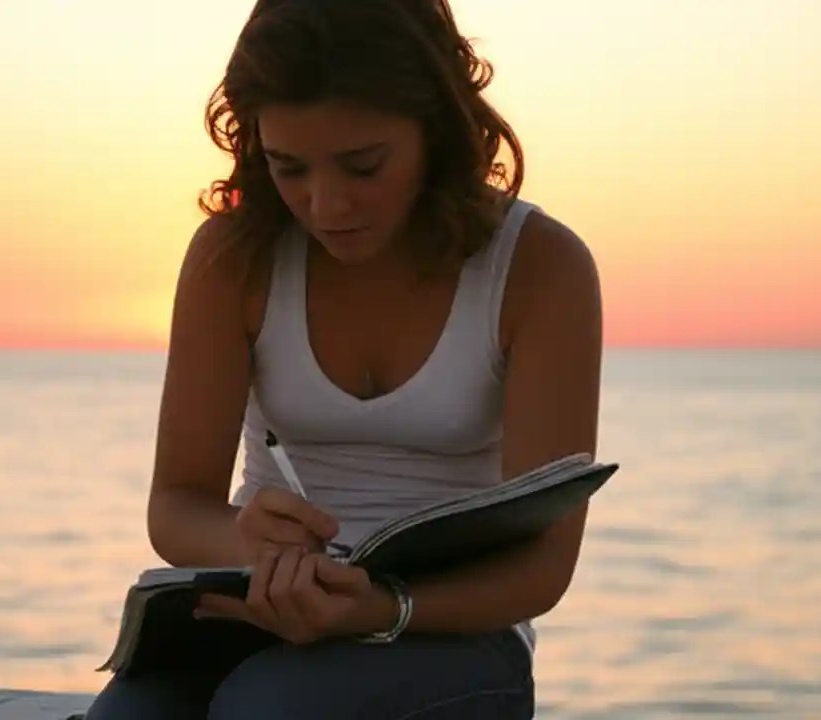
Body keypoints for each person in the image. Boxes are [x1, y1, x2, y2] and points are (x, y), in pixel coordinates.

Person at [86, 0, 602, 717]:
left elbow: (544, 564)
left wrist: (376, 608)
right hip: (264, 606)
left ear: (435, 128)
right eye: (288, 168)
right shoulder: (235, 258)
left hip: (450, 625)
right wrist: (247, 542)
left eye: (362, 166)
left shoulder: (541, 268)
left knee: (268, 711)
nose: (326, 206)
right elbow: (175, 507)